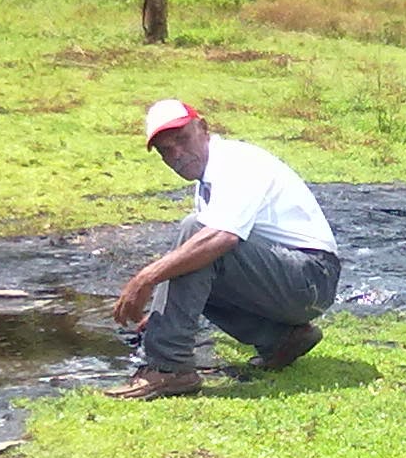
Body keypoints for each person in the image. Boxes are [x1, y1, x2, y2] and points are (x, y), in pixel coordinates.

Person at [107, 99, 341, 400]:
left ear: (203, 128)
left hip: (312, 277)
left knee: (197, 236)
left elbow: (221, 238)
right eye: (166, 150)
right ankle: (282, 339)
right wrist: (164, 313)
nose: (176, 154)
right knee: (193, 254)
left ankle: (169, 368)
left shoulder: (235, 163)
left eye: (182, 139)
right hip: (297, 280)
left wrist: (146, 278)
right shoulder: (209, 179)